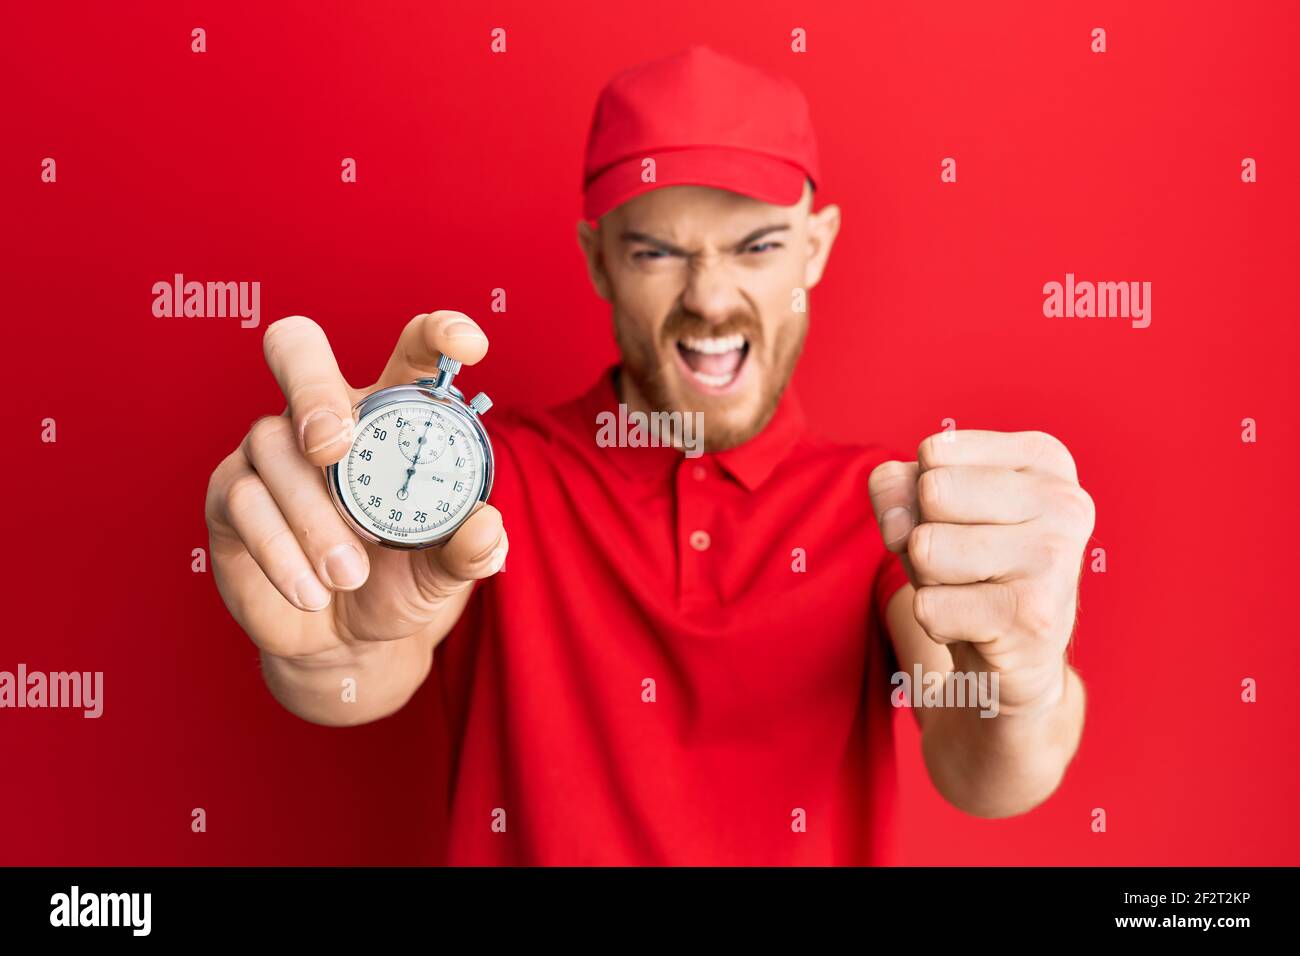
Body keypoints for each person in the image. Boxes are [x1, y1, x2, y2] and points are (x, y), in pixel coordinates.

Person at [204, 45, 1091, 865]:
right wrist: (329, 654)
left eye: (758, 246)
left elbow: (984, 773)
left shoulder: (890, 507)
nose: (709, 298)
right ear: (599, 262)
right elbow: (368, 670)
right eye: (658, 251)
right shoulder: (483, 479)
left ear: (814, 249)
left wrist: (1022, 678)